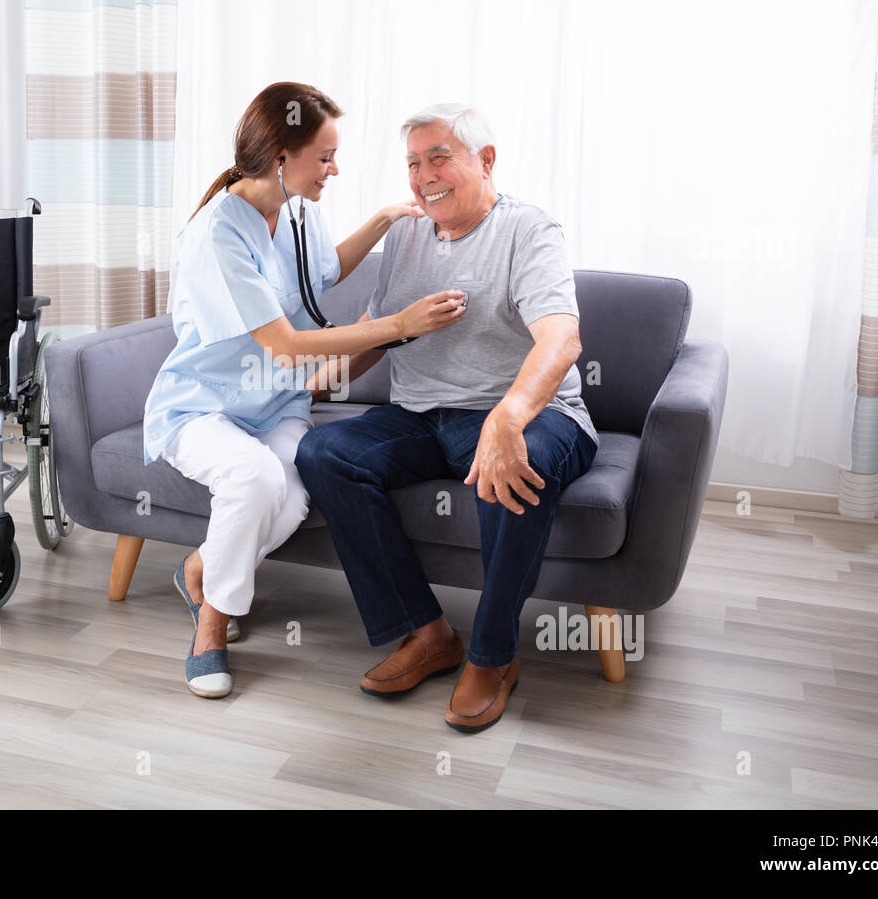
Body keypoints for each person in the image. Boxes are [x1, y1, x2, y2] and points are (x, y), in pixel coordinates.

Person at [143, 82, 468, 698]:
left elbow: (321, 274)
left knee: (292, 502)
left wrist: (382, 220)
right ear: (280, 155)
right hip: (204, 405)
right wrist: (399, 326)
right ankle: (211, 623)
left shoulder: (297, 210)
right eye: (324, 157)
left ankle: (199, 568)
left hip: (276, 404)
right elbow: (285, 344)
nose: (334, 169)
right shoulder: (218, 234)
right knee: (255, 481)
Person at [296, 103, 599, 732]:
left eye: (440, 157)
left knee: (512, 467)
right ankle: (427, 633)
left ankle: (493, 657)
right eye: (413, 163)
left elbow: (561, 341)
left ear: (485, 161)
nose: (424, 175)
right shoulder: (406, 233)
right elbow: (376, 337)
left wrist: (509, 418)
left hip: (535, 415)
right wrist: (301, 388)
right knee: (323, 453)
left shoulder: (529, 230)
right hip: (423, 416)